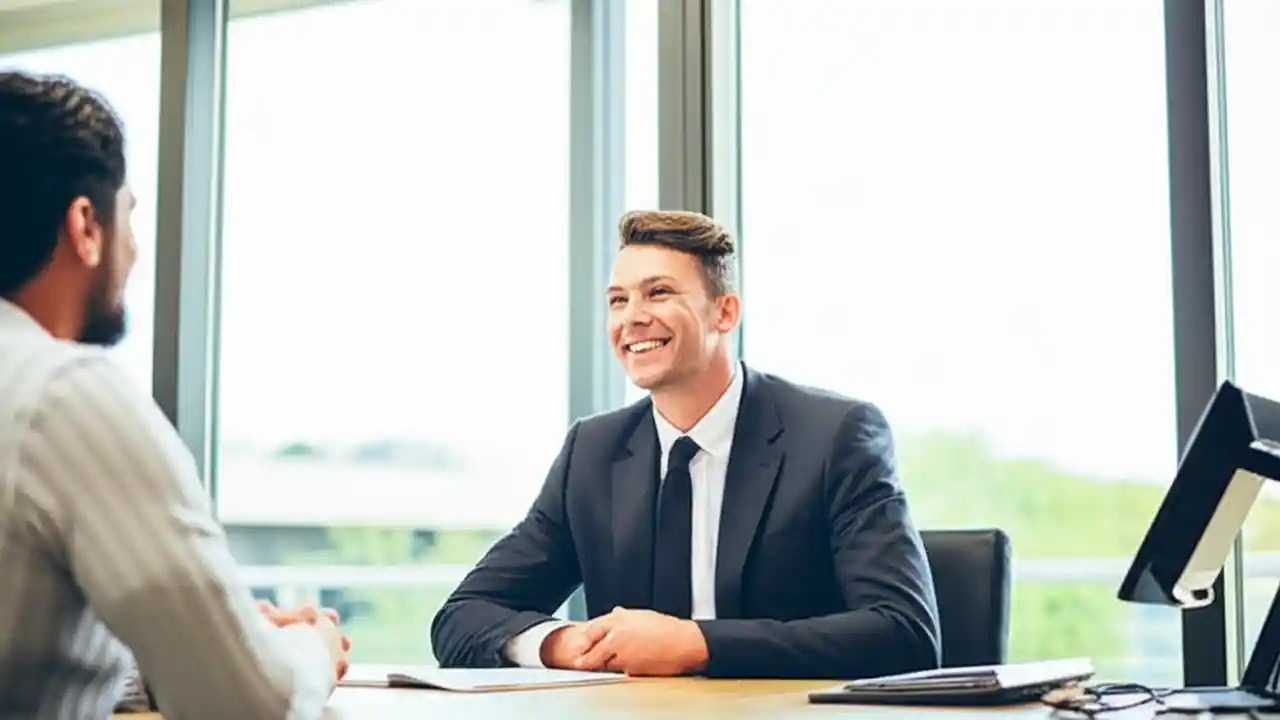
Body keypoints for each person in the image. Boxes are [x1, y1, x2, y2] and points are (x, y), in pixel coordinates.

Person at [431, 210, 940, 679]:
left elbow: (904, 632)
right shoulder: (593, 451)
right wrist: (561, 643)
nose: (632, 317)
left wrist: (698, 643)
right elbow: (461, 618)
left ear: (724, 313)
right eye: (618, 300)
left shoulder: (834, 436)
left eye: (658, 293)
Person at [0, 70, 347, 718]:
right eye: (129, 215)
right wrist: (308, 648)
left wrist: (204, 646)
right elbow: (248, 704)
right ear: (86, 226)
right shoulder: (65, 395)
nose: (134, 249)